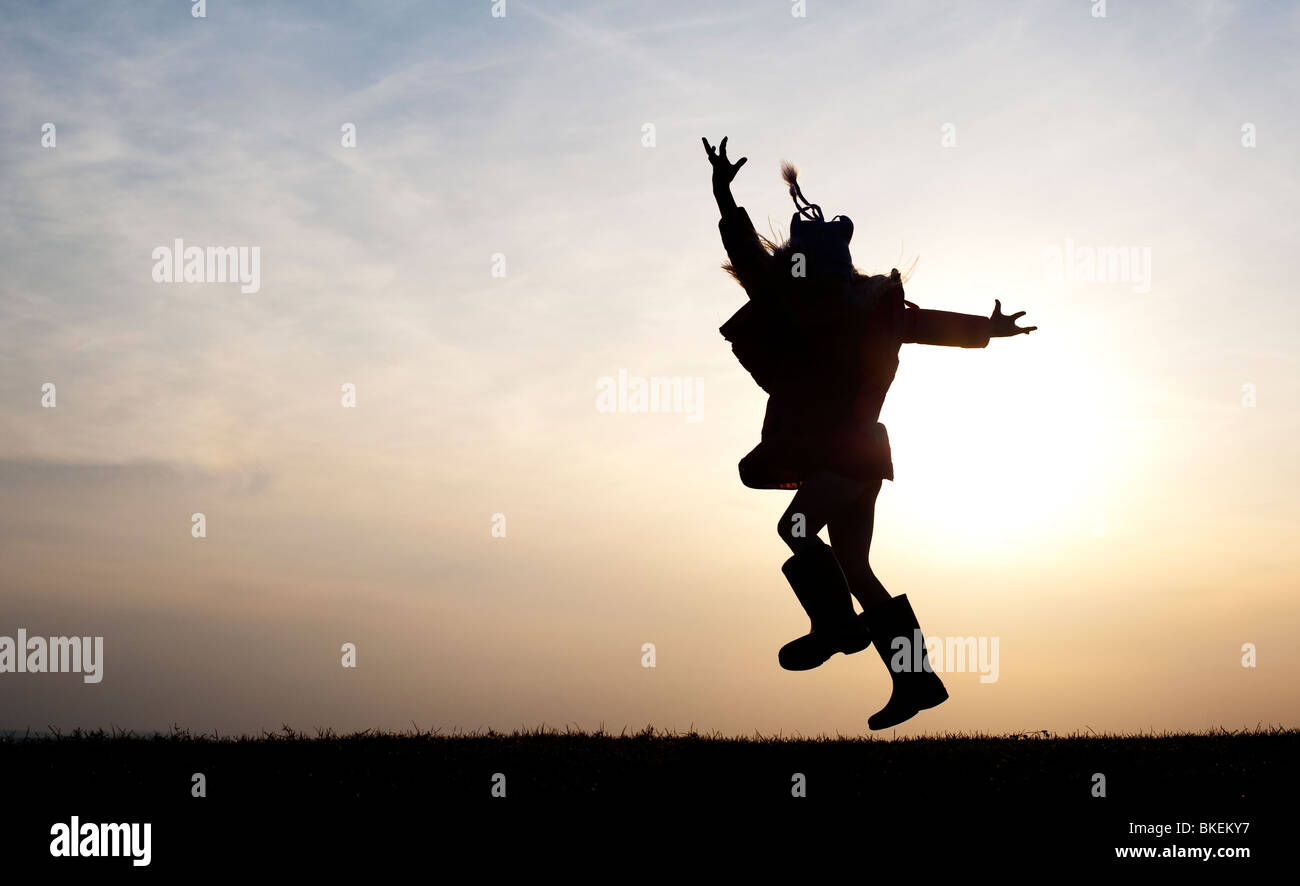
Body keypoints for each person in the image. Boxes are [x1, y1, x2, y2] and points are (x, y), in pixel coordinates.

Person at [703, 136, 1035, 729]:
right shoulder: (794, 303)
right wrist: (725, 196)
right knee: (856, 569)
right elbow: (749, 258)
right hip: (857, 456)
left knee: (795, 529)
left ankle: (834, 628)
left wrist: (989, 329)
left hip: (850, 453)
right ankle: (915, 682)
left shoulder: (868, 305)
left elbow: (927, 323)